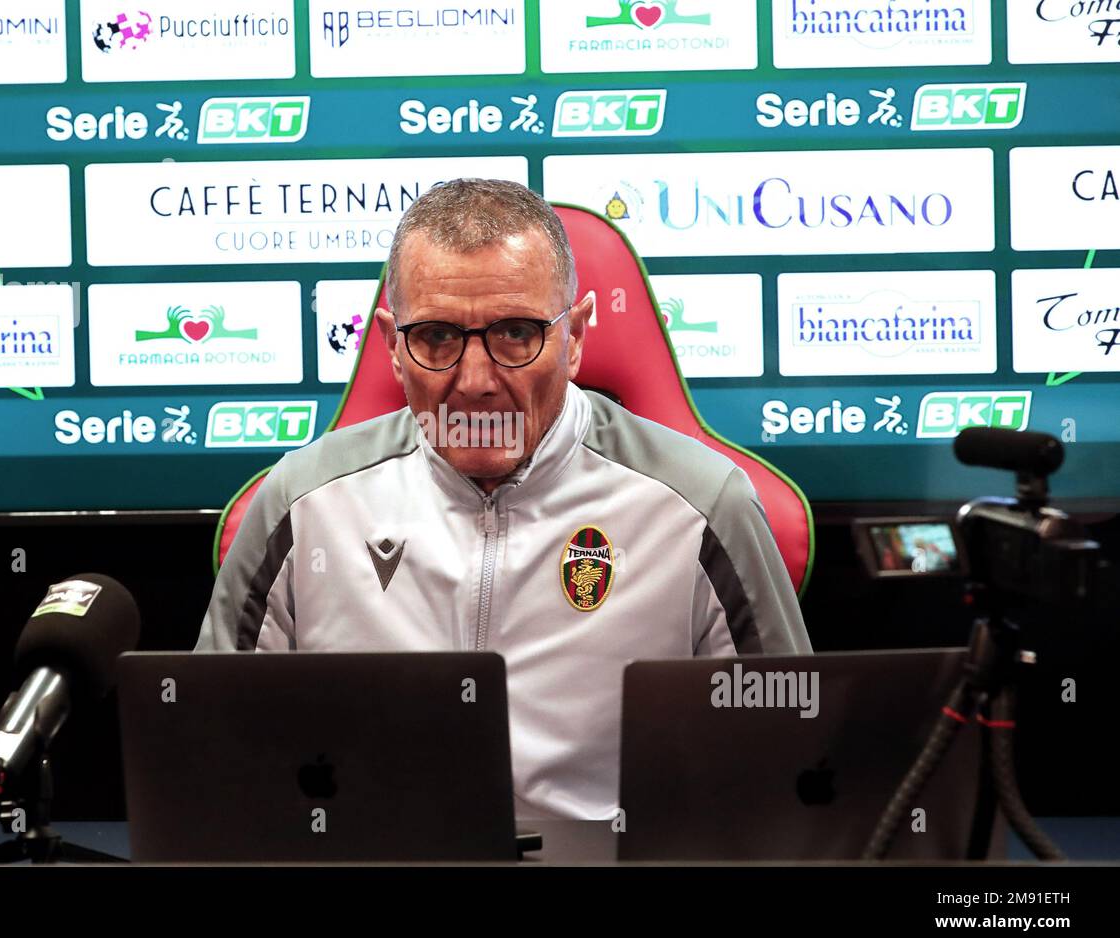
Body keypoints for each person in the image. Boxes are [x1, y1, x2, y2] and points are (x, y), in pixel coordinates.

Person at [196, 178, 811, 819]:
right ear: (391, 346)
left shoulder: (702, 505)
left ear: (573, 337)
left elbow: (788, 771)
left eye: (516, 334)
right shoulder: (300, 503)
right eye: (436, 337)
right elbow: (208, 759)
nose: (476, 382)